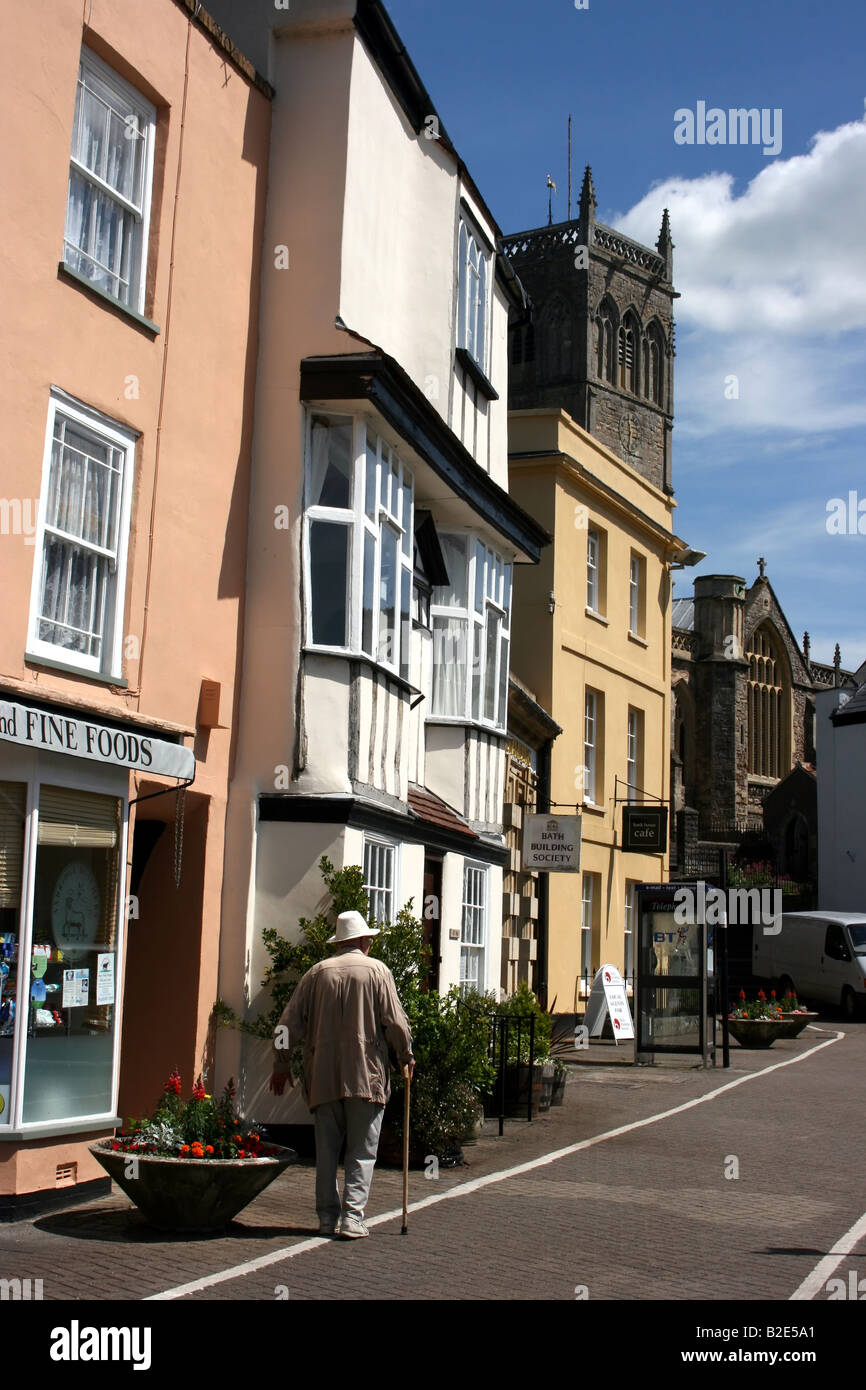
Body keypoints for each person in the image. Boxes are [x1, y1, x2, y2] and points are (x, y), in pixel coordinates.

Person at [269, 909, 415, 1239]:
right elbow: (396, 1023)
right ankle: (352, 1218)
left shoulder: (316, 974)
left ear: (340, 942)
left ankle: (325, 1218)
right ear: (363, 941)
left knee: (327, 1151)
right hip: (367, 1075)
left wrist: (281, 1065)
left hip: (323, 1076)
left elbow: (284, 1026)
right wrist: (405, 1056)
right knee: (362, 1151)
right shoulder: (377, 971)